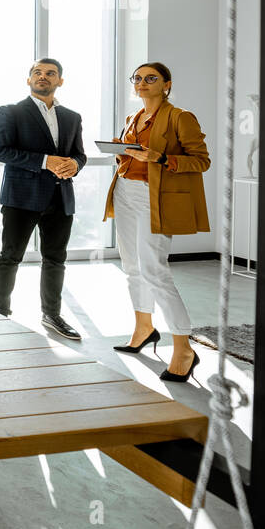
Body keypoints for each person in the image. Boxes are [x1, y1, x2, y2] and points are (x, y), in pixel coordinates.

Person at [106, 62, 211, 382]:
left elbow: (201, 161)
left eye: (150, 78)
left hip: (156, 197)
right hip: (125, 192)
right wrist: (121, 153)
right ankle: (144, 329)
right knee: (133, 268)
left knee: (154, 270)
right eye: (137, 78)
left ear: (166, 84)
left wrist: (161, 158)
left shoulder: (181, 117)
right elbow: (133, 158)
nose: (142, 83)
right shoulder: (132, 118)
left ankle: (183, 348)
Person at [0, 58, 88, 340]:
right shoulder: (10, 112)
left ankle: (52, 315)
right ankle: (0, 313)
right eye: (37, 73)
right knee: (10, 257)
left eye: (50, 73)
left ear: (60, 81)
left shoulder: (72, 117)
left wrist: (76, 165)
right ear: (28, 79)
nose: (43, 76)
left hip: (60, 197)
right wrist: (45, 161)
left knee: (55, 259)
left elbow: (79, 153)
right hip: (21, 197)